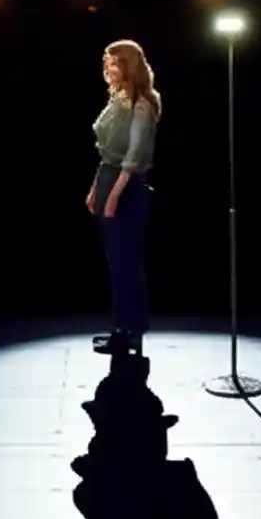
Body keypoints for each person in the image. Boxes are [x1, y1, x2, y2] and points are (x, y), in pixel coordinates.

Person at [86, 39, 161, 355]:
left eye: (114, 63)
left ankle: (131, 330)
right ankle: (121, 328)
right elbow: (107, 154)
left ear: (129, 66)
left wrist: (114, 196)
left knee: (126, 263)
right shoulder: (118, 100)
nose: (108, 69)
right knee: (117, 264)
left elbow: (133, 157)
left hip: (126, 186)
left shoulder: (141, 106)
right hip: (109, 178)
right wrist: (96, 188)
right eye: (106, 62)